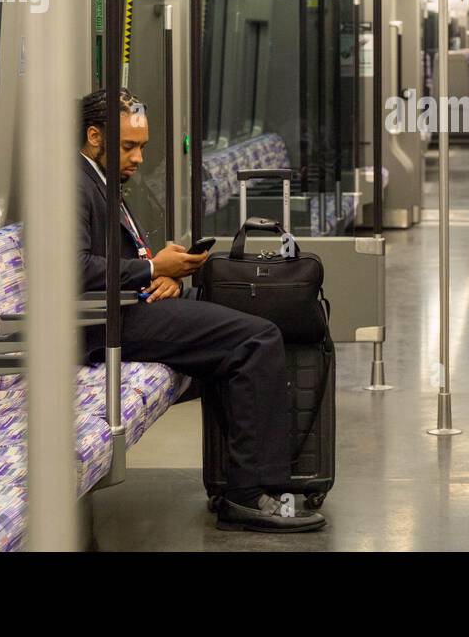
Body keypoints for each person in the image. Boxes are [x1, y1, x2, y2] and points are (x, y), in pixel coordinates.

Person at [77, 87, 324, 533]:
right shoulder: (73, 185)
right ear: (95, 136)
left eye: (141, 147)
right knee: (256, 338)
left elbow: (119, 258)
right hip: (103, 325)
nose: (136, 158)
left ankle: (232, 478)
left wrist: (160, 273)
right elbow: (74, 269)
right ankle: (248, 495)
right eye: (128, 146)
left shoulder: (101, 180)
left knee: (238, 310)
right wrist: (151, 267)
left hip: (133, 302)